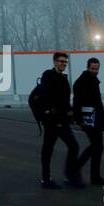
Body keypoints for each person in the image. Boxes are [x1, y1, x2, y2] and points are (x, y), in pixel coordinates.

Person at [39, 51, 82, 189]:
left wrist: (71, 113)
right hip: (52, 120)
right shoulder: (48, 75)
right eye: (61, 61)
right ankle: (46, 179)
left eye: (65, 62)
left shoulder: (64, 78)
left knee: (73, 146)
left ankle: (69, 176)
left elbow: (64, 99)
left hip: (62, 120)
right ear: (54, 62)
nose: (63, 64)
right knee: (48, 149)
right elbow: (49, 97)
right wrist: (53, 113)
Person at [72, 57, 104, 185]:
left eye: (97, 69)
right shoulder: (81, 82)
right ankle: (77, 167)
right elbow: (76, 102)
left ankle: (94, 176)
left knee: (98, 147)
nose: (95, 71)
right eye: (92, 69)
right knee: (97, 146)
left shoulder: (93, 80)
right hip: (87, 120)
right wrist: (79, 120)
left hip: (96, 119)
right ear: (87, 67)